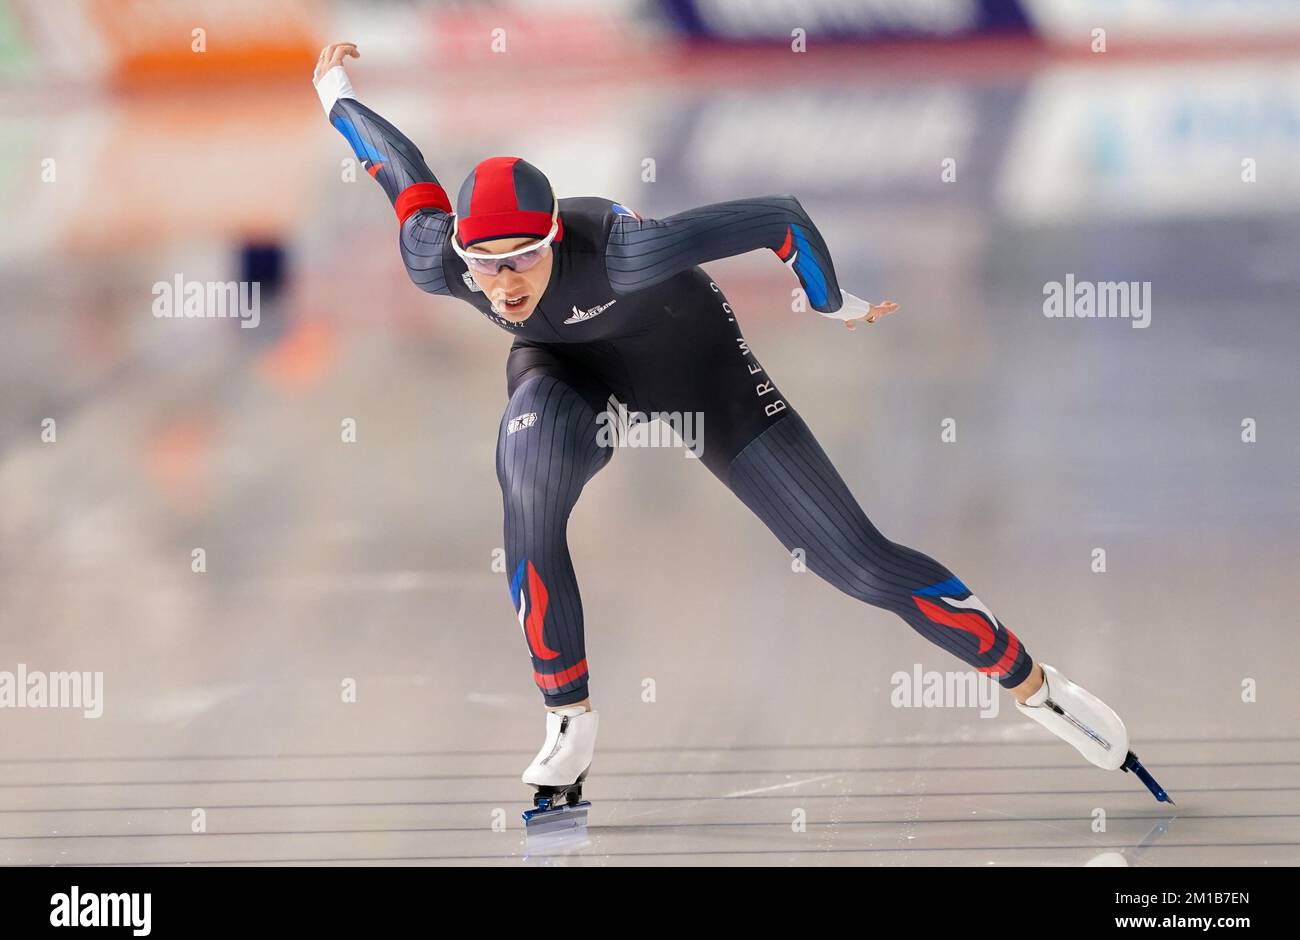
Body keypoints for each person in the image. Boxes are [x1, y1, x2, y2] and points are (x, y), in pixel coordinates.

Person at [312, 43, 1170, 822]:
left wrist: (829, 301)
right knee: (527, 482)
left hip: (702, 374)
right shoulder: (440, 258)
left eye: (523, 260)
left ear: (552, 238)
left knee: (859, 563)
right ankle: (567, 719)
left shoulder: (622, 252)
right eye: (485, 265)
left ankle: (1035, 686)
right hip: (567, 373)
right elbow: (401, 173)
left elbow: (779, 216)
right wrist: (336, 93)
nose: (501, 285)